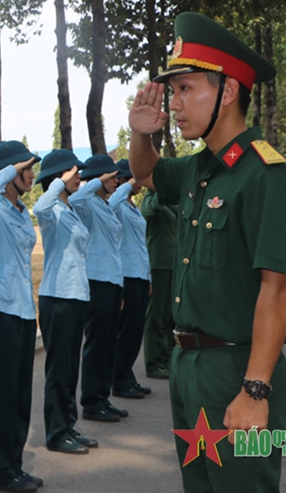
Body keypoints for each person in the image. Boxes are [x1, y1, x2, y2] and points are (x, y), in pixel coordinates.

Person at [128, 12, 286, 492]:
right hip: (189, 370)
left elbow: (278, 289)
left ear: (227, 92)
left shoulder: (269, 176)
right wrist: (140, 133)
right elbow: (146, 173)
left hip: (238, 372)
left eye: (186, 88)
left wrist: (255, 391)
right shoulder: (196, 171)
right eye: (173, 91)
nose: (176, 102)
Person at [0, 140, 42, 492]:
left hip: (22, 312)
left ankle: (14, 466)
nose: (31, 175)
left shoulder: (19, 212)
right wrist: (11, 168)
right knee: (3, 400)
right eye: (25, 169)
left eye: (30, 169)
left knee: (20, 397)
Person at [32, 150, 100, 455]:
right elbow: (40, 204)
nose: (80, 178)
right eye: (75, 173)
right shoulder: (51, 210)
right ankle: (56, 433)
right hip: (57, 297)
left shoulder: (69, 208)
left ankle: (69, 426)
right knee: (58, 370)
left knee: (71, 368)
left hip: (76, 295)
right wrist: (59, 180)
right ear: (59, 176)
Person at [70, 154, 128, 423]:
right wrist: (99, 177)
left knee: (107, 343)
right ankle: (91, 402)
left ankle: (103, 397)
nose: (116, 180)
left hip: (112, 281)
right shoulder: (88, 204)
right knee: (96, 343)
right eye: (112, 177)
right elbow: (76, 198)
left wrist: (120, 287)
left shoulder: (105, 205)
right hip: (96, 280)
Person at [109, 159, 152, 400]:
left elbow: (141, 245)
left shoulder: (133, 206)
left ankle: (127, 375)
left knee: (136, 332)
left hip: (140, 273)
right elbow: (114, 199)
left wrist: (149, 277)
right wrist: (136, 176)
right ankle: (119, 379)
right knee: (125, 332)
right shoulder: (116, 205)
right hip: (126, 273)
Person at [140, 188, 176, 379]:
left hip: (171, 264)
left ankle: (168, 358)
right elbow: (149, 210)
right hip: (157, 264)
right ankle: (153, 362)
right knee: (156, 315)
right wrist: (158, 190)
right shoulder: (150, 199)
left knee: (170, 315)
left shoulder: (169, 203)